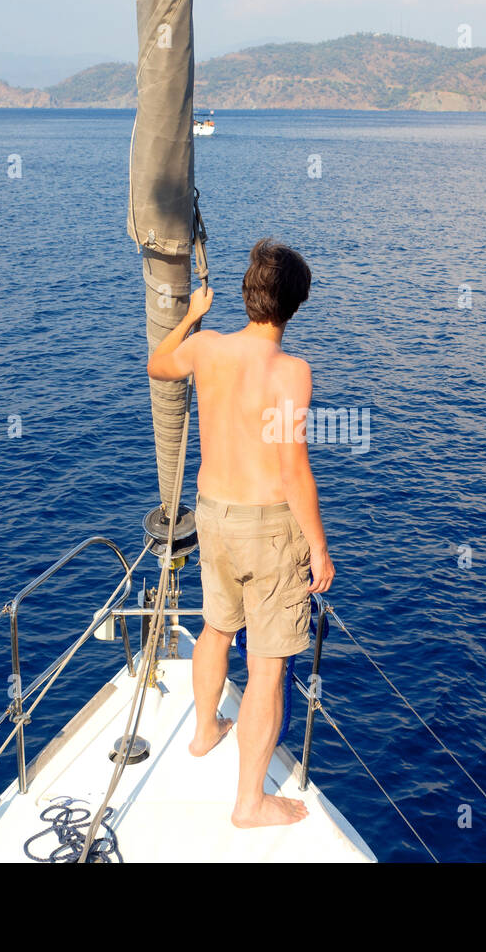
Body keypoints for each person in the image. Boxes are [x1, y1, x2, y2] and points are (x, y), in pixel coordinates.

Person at [147, 237, 334, 828]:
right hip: (267, 527)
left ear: (248, 294)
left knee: (217, 626)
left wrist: (192, 317)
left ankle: (204, 732)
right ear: (295, 305)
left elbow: (157, 364)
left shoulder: (206, 347)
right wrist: (320, 548)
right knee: (270, 664)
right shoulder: (291, 372)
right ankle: (250, 803)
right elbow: (291, 468)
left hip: (213, 513)